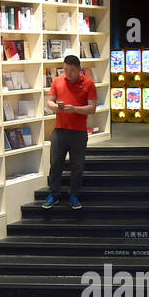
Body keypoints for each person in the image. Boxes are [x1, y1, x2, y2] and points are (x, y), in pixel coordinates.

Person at [43, 55, 98, 210]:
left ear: (79, 69)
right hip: (60, 130)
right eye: (66, 70)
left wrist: (75, 109)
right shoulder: (57, 81)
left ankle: (73, 195)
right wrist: (55, 107)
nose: (68, 73)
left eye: (72, 70)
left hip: (79, 132)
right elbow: (49, 101)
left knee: (77, 166)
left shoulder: (88, 84)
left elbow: (92, 108)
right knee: (55, 164)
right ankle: (54, 194)